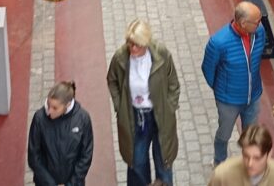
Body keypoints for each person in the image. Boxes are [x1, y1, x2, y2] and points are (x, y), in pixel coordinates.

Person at [107, 19, 180, 186]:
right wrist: (120, 106)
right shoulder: (120, 57)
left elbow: (173, 83)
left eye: (137, 45)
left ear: (146, 43)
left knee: (163, 160)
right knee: (137, 161)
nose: (133, 48)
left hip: (160, 115)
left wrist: (170, 106)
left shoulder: (161, 54)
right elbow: (112, 80)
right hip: (136, 117)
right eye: (130, 43)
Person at [202, 1, 266, 165]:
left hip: (253, 96)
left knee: (251, 136)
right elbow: (208, 69)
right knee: (224, 134)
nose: (260, 24)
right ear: (243, 23)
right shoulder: (218, 42)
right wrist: (221, 89)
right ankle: (219, 162)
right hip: (228, 101)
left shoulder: (259, 31)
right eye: (257, 21)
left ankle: (249, 164)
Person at [28, 80, 94, 186]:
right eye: (48, 105)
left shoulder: (83, 119)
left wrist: (71, 184)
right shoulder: (39, 119)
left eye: (55, 108)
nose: (49, 111)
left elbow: (86, 155)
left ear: (67, 105)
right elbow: (34, 156)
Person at [208, 125, 274, 186]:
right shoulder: (222, 176)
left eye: (257, 158)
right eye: (246, 156)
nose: (250, 164)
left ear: (269, 154)